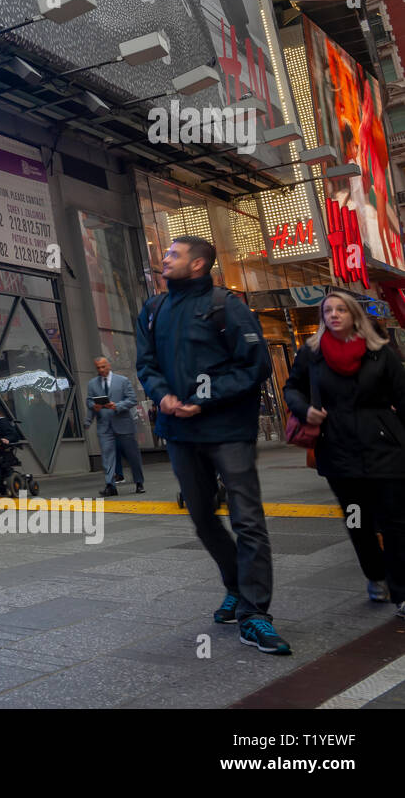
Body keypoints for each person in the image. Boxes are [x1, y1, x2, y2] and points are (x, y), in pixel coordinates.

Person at [136, 236, 289, 655]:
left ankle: (255, 614)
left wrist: (203, 399)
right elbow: (146, 363)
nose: (165, 258)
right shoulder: (153, 309)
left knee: (247, 519)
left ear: (198, 264)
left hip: (228, 429)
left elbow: (255, 366)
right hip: (179, 431)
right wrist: (163, 395)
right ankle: (236, 586)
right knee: (202, 517)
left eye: (174, 254)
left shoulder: (227, 306)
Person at [283, 290, 405, 618]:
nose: (334, 315)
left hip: (384, 447)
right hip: (337, 449)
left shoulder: (380, 352)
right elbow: (291, 388)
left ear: (354, 315)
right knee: (357, 519)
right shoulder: (311, 353)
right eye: (328, 311)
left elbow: (403, 396)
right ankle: (375, 575)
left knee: (394, 521)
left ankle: (402, 590)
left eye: (341, 309)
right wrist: (304, 409)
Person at [84, 356, 146, 495]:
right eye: (98, 368)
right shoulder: (92, 384)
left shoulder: (122, 381)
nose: (101, 370)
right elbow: (89, 401)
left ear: (109, 366)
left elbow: (132, 399)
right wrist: (93, 407)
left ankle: (139, 482)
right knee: (107, 456)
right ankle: (110, 485)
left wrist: (117, 406)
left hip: (124, 424)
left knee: (132, 455)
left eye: (103, 367)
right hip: (104, 426)